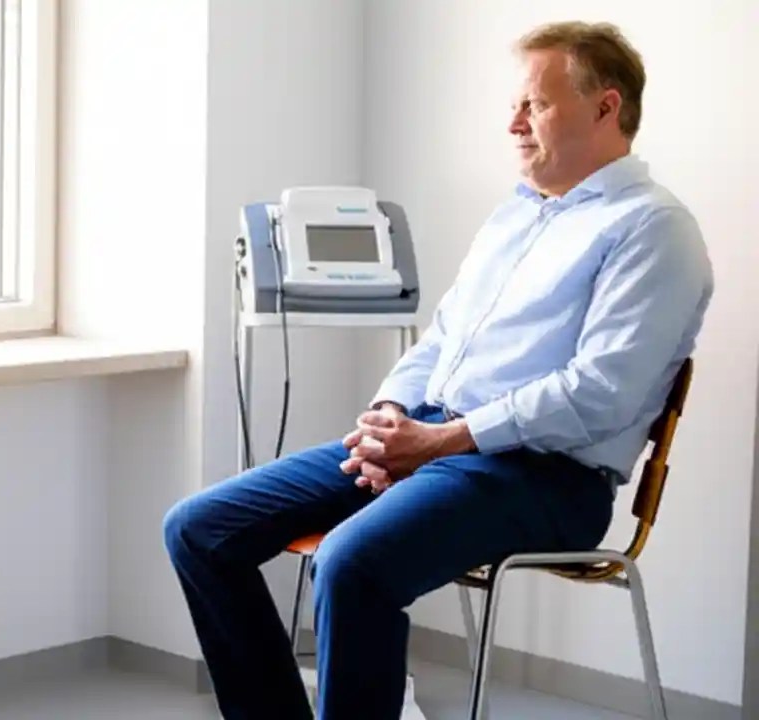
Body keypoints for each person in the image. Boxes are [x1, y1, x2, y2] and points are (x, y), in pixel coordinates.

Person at [164, 20, 713, 720]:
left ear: (606, 107)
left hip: (544, 476)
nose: (513, 122)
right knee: (198, 528)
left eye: (534, 105)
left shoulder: (653, 229)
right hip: (432, 440)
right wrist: (390, 416)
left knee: (352, 564)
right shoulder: (517, 216)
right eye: (516, 104)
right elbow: (443, 339)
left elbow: (599, 393)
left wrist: (442, 441)